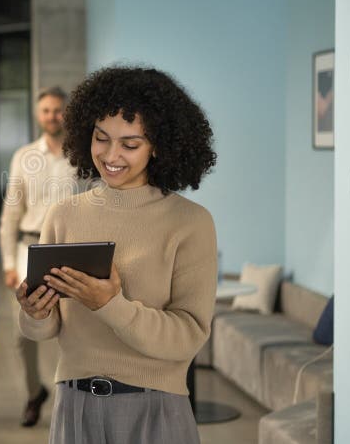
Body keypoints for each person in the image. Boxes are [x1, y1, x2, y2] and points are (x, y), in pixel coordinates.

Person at [17, 66, 218, 443]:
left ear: (157, 145)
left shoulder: (191, 223)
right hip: (74, 408)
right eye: (101, 138)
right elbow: (46, 329)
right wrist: (34, 311)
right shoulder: (64, 216)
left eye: (130, 144)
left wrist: (110, 304)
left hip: (155, 410)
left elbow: (187, 337)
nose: (110, 156)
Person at [0, 86, 83, 427]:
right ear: (38, 115)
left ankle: (72, 397)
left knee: (74, 328)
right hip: (29, 250)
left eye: (58, 109)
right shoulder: (23, 157)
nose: (52, 116)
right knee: (23, 333)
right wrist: (7, 263)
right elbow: (11, 214)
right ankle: (34, 393)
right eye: (46, 110)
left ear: (67, 113)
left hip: (72, 251)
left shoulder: (82, 156)